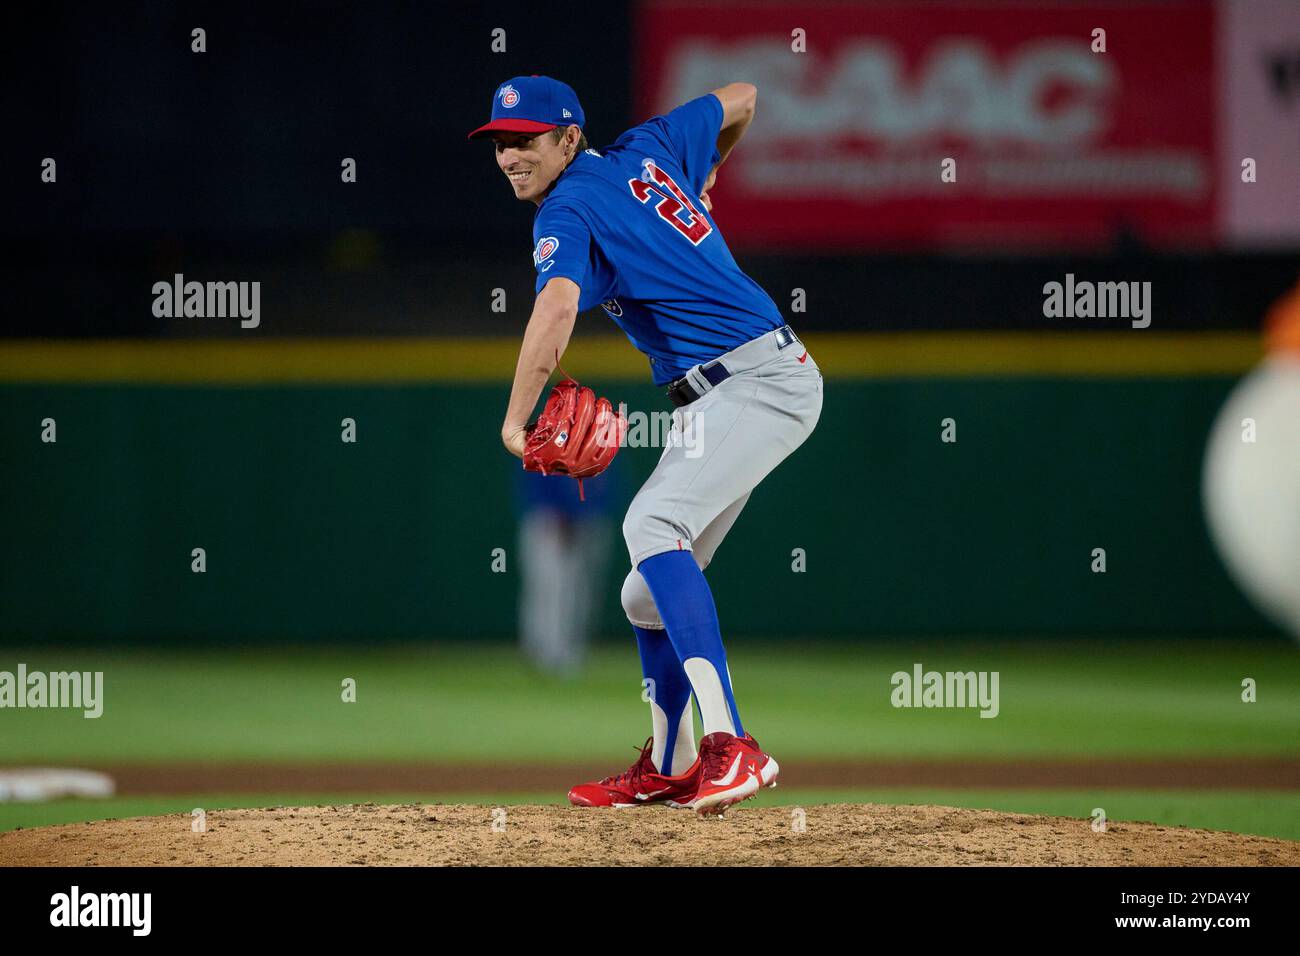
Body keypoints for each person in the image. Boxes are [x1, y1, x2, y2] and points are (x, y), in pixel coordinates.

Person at [470, 75, 823, 815]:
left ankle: (734, 747)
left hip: (753, 381)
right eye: (500, 142)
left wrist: (515, 419)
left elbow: (557, 307)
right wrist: (709, 168)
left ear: (569, 138)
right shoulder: (653, 150)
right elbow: (747, 95)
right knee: (644, 590)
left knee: (649, 525)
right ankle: (672, 761)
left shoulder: (563, 209)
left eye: (526, 140)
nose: (509, 155)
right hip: (732, 389)